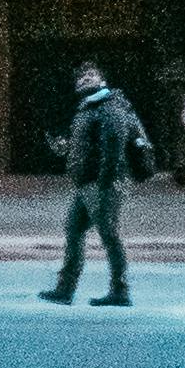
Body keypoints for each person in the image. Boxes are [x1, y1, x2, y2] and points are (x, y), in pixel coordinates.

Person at [45, 58, 152, 304]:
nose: (84, 80)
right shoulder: (89, 108)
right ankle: (66, 288)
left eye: (90, 75)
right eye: (81, 78)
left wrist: (106, 184)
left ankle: (120, 290)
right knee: (74, 230)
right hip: (88, 183)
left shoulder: (109, 107)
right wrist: (66, 147)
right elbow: (88, 145)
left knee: (108, 234)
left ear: (102, 79)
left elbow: (113, 147)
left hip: (101, 183)